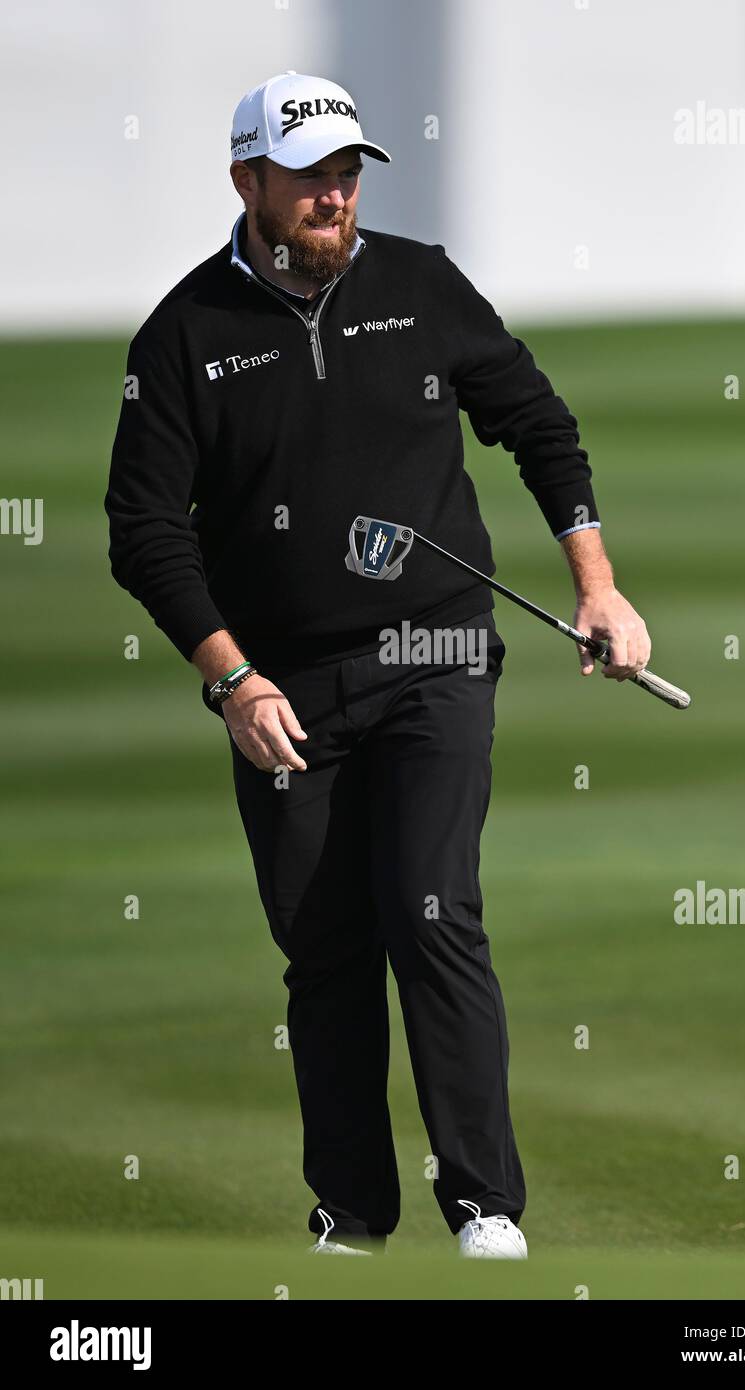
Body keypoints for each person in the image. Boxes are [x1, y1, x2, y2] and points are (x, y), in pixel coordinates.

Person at [104, 70, 651, 1259]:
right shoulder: (185, 333)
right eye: (308, 177)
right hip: (281, 684)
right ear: (248, 180)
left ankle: (483, 1205)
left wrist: (595, 583)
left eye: (347, 173)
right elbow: (143, 532)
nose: (334, 196)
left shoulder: (421, 283)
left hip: (437, 652)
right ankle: (351, 1216)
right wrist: (231, 679)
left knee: (431, 905)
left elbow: (535, 422)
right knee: (323, 946)